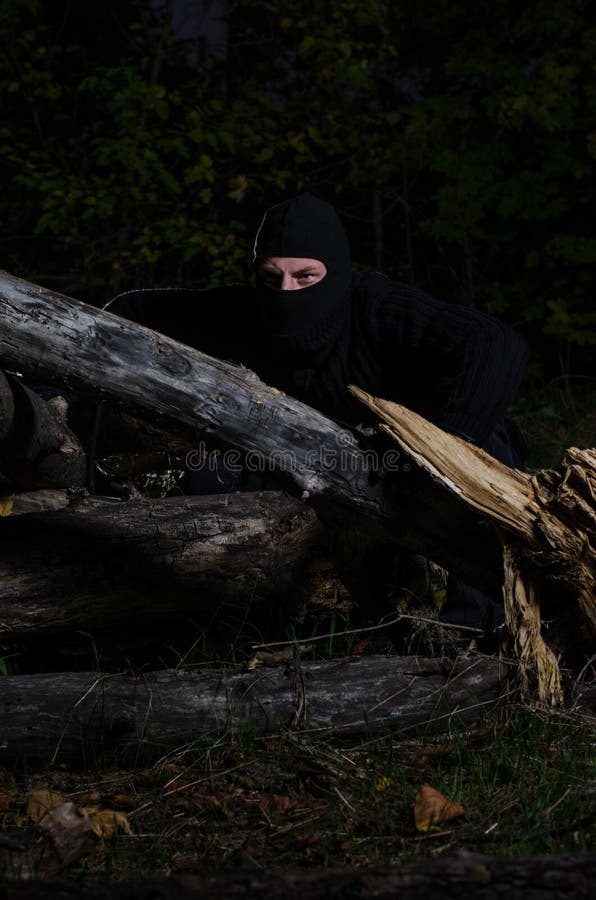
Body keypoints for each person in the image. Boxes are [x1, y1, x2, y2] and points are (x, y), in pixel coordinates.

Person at [107, 192, 528, 629]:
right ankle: (223, 622)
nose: (287, 292)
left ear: (336, 273)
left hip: (398, 469)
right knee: (206, 470)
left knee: (489, 443)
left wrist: (443, 449)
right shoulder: (242, 311)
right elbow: (127, 310)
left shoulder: (375, 307)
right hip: (300, 469)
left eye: (306, 277)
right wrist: (47, 394)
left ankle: (474, 632)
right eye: (273, 277)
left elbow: (495, 343)